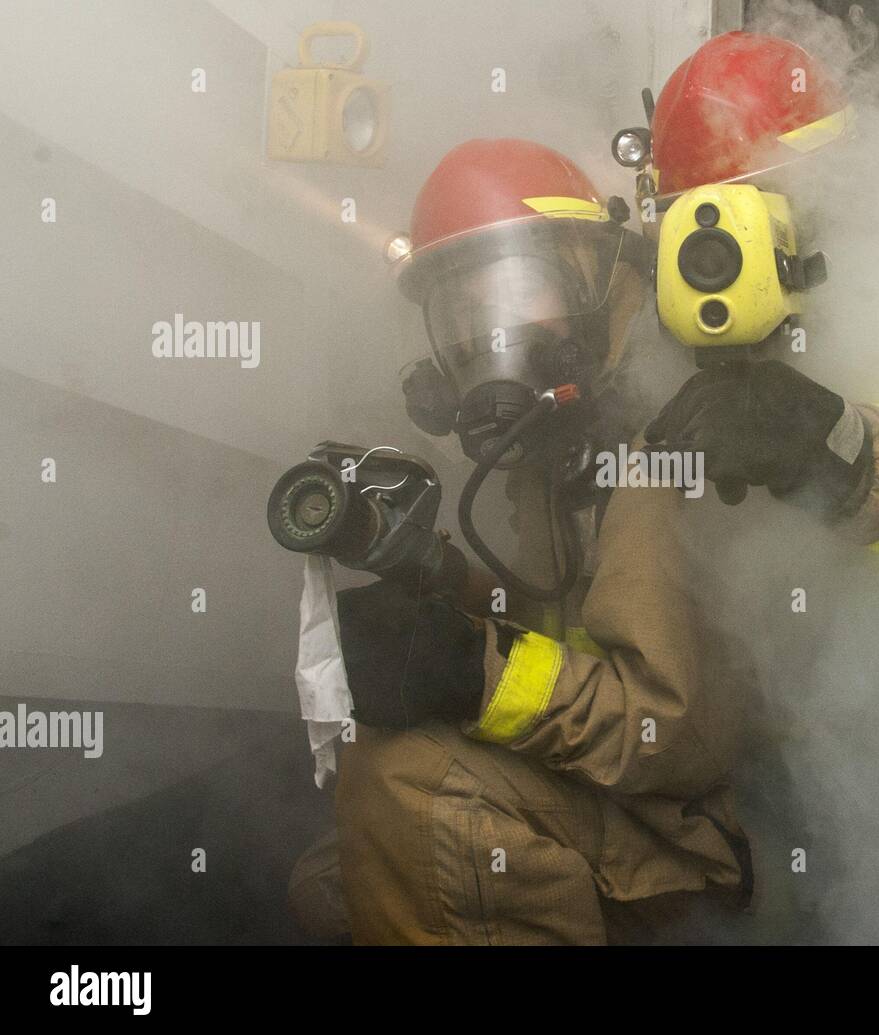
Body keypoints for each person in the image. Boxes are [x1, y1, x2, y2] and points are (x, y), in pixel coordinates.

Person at [329, 138, 754, 944]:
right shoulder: (556, 455)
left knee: (411, 793)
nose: (493, 337)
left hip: (688, 833)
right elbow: (560, 630)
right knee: (328, 879)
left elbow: (672, 733)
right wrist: (436, 576)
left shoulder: (654, 454)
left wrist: (471, 668)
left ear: (593, 288)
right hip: (616, 798)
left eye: (520, 295)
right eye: (464, 312)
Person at [639, 31, 879, 559]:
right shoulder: (650, 341)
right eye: (691, 227)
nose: (722, 256)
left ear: (838, 194)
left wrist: (836, 452)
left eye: (766, 217)